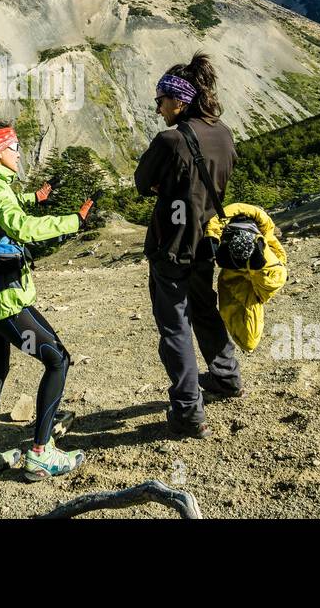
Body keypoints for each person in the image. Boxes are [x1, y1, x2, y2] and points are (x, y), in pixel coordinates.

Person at [0, 121, 96, 484]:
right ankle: (40, 454)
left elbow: (1, 211)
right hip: (6, 298)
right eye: (15, 146)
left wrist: (35, 198)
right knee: (58, 360)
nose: (19, 153)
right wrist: (73, 221)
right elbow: (21, 227)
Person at [134, 52, 240, 439]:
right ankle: (226, 377)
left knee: (174, 325)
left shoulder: (170, 139)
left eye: (161, 100)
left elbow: (142, 182)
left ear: (179, 100)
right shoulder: (224, 133)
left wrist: (167, 186)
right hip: (207, 241)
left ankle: (186, 410)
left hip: (171, 243)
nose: (158, 107)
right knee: (204, 308)